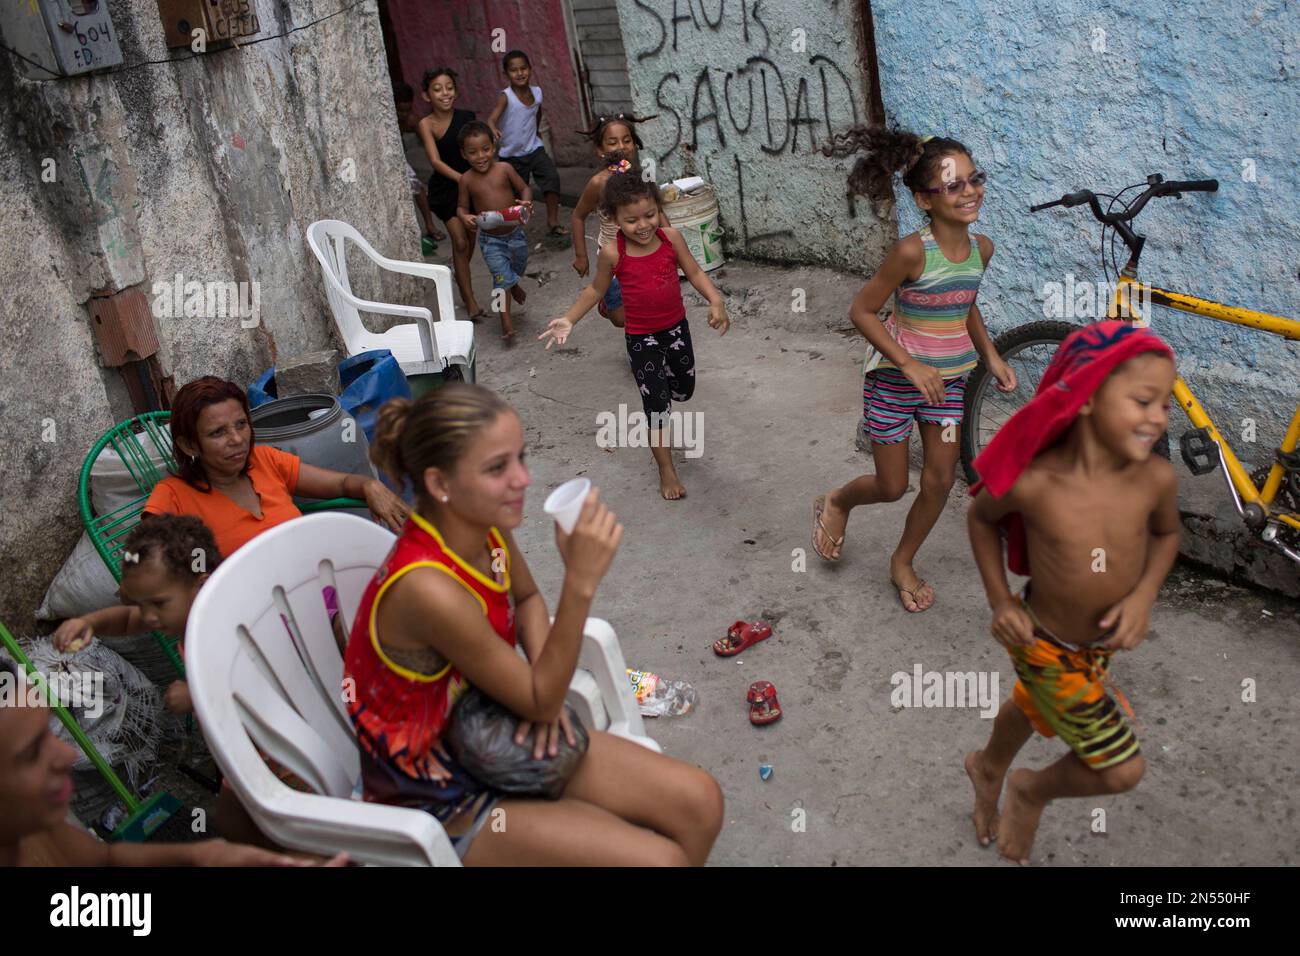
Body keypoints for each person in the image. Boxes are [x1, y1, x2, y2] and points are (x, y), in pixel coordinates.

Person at [343, 384, 724, 864]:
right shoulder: (427, 588)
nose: (523, 479)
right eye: (497, 468)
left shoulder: (484, 525)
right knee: (659, 861)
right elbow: (540, 696)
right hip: (439, 793)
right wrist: (579, 583)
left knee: (701, 803)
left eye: (520, 458)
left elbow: (525, 598)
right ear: (440, 483)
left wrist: (543, 689)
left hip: (495, 728)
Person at [964, 320, 1181, 864]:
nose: (1158, 418)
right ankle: (1030, 790)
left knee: (1032, 704)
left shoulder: (1155, 480)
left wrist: (1142, 597)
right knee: (1121, 769)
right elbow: (981, 518)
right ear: (1085, 398)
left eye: (1165, 405)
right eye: (1143, 402)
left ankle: (988, 766)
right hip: (1040, 642)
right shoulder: (1037, 483)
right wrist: (1000, 601)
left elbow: (1167, 534)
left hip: (1097, 648)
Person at [810, 127, 1016, 612]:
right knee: (892, 486)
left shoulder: (982, 249)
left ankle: (902, 561)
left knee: (940, 480)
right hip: (893, 382)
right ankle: (837, 501)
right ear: (925, 199)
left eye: (975, 179)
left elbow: (963, 303)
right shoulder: (911, 252)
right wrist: (909, 364)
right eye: (954, 185)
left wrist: (990, 355)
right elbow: (862, 311)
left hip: (946, 385)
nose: (970, 191)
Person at [0, 657, 345, 866]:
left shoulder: (35, 826)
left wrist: (199, 856)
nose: (67, 754)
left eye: (48, 734)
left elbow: (105, 859)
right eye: (31, 754)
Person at [540, 175, 730, 500]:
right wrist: (569, 319)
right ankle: (666, 469)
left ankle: (662, 394)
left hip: (676, 330)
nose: (643, 226)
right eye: (631, 220)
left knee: (684, 390)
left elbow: (695, 272)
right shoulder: (612, 253)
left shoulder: (671, 238)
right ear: (614, 219)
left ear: (658, 210)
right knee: (657, 406)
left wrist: (716, 300)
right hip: (642, 338)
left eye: (650, 215)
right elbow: (595, 289)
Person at [143, 376, 408, 558]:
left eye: (241, 424)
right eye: (218, 433)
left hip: (310, 586)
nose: (237, 439)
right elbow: (146, 560)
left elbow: (341, 484)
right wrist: (199, 570)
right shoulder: (174, 495)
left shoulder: (265, 461)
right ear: (190, 445)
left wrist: (371, 486)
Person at [52, 515, 221, 717]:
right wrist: (89, 623)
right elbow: (127, 620)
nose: (148, 616)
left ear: (202, 586)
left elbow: (248, 675)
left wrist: (196, 696)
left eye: (159, 603)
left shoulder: (225, 625)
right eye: (140, 604)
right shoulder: (189, 618)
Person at [569, 113, 663, 329]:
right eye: (612, 142)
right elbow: (578, 216)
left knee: (649, 302)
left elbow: (657, 210)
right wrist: (581, 256)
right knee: (620, 319)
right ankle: (606, 304)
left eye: (626, 140)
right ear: (600, 150)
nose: (621, 146)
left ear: (635, 144)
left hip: (644, 248)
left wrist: (668, 238)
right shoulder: (598, 183)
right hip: (613, 256)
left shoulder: (642, 176)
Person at [455, 121, 534, 344]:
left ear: (494, 146)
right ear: (464, 154)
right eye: (473, 152)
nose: (480, 156)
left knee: (518, 267)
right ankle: (505, 323)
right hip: (491, 241)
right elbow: (461, 207)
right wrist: (465, 217)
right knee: (500, 280)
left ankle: (513, 283)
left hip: (515, 234)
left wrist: (526, 202)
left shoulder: (505, 169)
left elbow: (524, 188)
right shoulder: (466, 180)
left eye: (485, 149)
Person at [416, 67, 485, 319]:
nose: (444, 93)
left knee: (469, 241)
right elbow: (435, 161)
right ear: (427, 96)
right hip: (446, 189)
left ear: (455, 92)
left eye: (449, 88)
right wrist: (462, 179)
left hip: (471, 187)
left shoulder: (467, 117)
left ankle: (459, 272)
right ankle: (470, 301)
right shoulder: (426, 124)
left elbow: (479, 147)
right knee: (460, 241)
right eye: (437, 89)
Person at [487, 50, 567, 236]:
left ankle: (553, 222)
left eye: (523, 68)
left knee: (551, 178)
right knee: (514, 195)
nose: (519, 73)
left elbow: (536, 112)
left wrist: (536, 131)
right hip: (511, 155)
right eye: (514, 70)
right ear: (506, 74)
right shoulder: (506, 96)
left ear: (530, 69)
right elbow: (492, 119)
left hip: (534, 148)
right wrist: (493, 129)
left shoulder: (537, 92)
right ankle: (513, 231)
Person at [394, 81, 445, 249]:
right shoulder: (386, 119)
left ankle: (430, 225)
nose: (403, 114)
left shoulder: (412, 120)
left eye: (407, 110)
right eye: (400, 110)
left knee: (416, 186)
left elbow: (428, 144)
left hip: (400, 156)